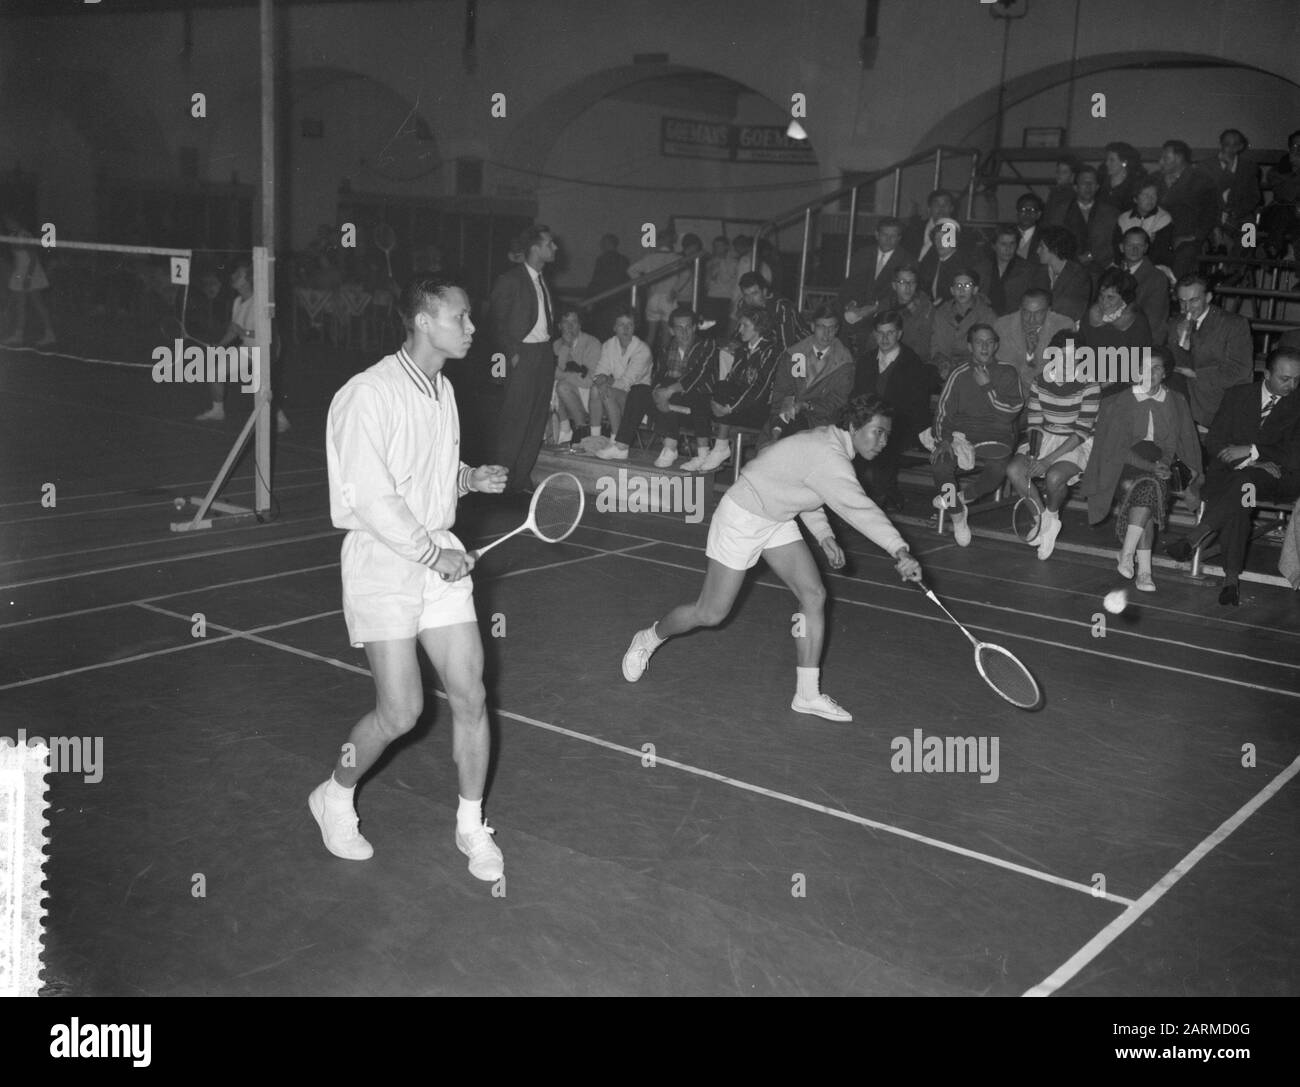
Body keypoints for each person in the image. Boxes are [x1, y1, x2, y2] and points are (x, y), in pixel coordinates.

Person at [314, 274, 508, 880]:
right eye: (462, 317)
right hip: (383, 561)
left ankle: (471, 825)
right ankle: (334, 795)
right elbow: (371, 496)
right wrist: (430, 554)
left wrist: (466, 480)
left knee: (472, 694)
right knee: (401, 712)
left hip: (435, 554)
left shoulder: (441, 391)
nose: (473, 327)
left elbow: (423, 475)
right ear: (424, 321)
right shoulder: (366, 394)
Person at [620, 394, 924, 723]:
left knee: (814, 594)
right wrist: (899, 549)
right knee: (710, 613)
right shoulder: (831, 455)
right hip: (743, 515)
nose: (883, 441)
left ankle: (807, 694)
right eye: (877, 431)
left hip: (775, 517)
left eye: (887, 435)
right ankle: (649, 637)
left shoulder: (830, 446)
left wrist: (824, 535)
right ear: (853, 427)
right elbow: (858, 508)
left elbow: (809, 486)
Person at [1164, 348, 1300, 605]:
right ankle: (1231, 581)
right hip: (1235, 476)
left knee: (1244, 484)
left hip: (1278, 479)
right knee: (1241, 499)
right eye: (1285, 378)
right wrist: (1253, 462)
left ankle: (1196, 537)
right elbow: (1215, 440)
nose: (1292, 385)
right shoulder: (1238, 395)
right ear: (1267, 374)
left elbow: (1294, 456)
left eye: (1297, 379)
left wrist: (1252, 451)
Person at [1079, 346, 1202, 593]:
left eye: (1156, 367)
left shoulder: (1175, 401)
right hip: (1123, 465)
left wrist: (1165, 465)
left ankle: (1128, 554)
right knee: (1149, 487)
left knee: (1148, 488)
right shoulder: (1117, 401)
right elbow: (1114, 449)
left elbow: (1176, 442)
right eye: (1145, 367)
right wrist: (1151, 467)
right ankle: (1143, 570)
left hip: (1159, 466)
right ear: (1135, 371)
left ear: (1165, 373)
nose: (1150, 372)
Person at [1005, 329, 1101, 560]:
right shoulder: (1040, 382)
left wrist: (1047, 462)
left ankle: (1052, 517)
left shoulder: (1090, 385)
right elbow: (1035, 422)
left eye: (1073, 356)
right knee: (1015, 470)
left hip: (1077, 443)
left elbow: (1081, 432)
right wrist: (1035, 455)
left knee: (1054, 477)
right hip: (1045, 437)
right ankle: (1041, 521)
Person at [929, 324, 1024, 547]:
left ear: (996, 345)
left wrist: (987, 387)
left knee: (998, 469)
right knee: (940, 465)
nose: (984, 346)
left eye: (989, 341)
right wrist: (943, 439)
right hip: (962, 435)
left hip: (997, 436)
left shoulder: (1007, 372)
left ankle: (963, 498)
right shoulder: (959, 374)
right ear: (969, 345)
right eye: (979, 342)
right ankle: (956, 513)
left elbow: (1010, 414)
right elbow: (943, 411)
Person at [596, 305, 717, 468]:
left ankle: (670, 447)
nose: (684, 332)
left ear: (695, 328)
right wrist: (658, 390)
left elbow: (698, 376)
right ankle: (621, 446)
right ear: (672, 330)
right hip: (668, 402)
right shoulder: (667, 349)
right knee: (639, 391)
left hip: (695, 402)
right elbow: (658, 375)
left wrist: (668, 390)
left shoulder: (707, 345)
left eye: (688, 327)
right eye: (679, 328)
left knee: (667, 389)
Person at [491, 224, 558, 496]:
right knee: (515, 419)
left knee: (535, 420)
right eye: (550, 244)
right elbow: (495, 321)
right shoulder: (511, 280)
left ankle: (521, 479)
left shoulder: (542, 280)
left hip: (543, 354)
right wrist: (512, 354)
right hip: (524, 355)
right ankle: (501, 481)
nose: (555, 248)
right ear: (535, 248)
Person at [852, 308, 938, 512]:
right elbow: (856, 398)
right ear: (874, 334)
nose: (885, 338)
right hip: (867, 424)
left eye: (890, 332)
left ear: (899, 334)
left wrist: (883, 426)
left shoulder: (912, 364)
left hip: (900, 426)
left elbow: (915, 408)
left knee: (882, 442)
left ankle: (884, 497)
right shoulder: (865, 361)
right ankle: (856, 499)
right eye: (880, 333)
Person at [195, 259, 291, 434]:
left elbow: (265, 334)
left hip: (266, 349)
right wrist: (219, 345)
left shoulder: (261, 302)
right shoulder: (238, 302)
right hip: (247, 349)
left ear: (248, 280)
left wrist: (244, 332)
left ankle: (281, 419)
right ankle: (217, 411)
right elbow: (234, 330)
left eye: (238, 275)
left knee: (262, 388)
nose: (232, 276)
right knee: (215, 373)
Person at [692, 304, 783, 473]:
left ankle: (720, 447)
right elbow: (731, 379)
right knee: (701, 398)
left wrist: (730, 409)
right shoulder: (742, 351)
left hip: (758, 410)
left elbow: (759, 389)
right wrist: (715, 402)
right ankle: (703, 453)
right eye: (740, 324)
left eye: (745, 325)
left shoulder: (771, 352)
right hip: (733, 406)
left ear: (759, 328)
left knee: (723, 389)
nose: (740, 329)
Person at [758, 304, 855, 449]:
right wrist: (777, 427)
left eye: (831, 328)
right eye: (821, 327)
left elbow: (838, 401)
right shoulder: (795, 354)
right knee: (772, 444)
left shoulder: (844, 361)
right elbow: (783, 393)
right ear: (812, 327)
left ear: (837, 329)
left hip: (823, 422)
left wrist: (807, 406)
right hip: (789, 418)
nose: (826, 333)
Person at [1165, 273, 1254, 430]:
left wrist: (1197, 374)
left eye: (1194, 300)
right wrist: (1183, 346)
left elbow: (1240, 370)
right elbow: (1176, 366)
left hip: (1221, 403)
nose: (1187, 308)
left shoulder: (1234, 324)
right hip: (1185, 403)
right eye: (1182, 301)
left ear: (1208, 297)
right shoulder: (1175, 324)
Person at [1076, 267, 1154, 396]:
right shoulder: (1089, 316)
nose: (1104, 302)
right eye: (1101, 295)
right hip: (1089, 382)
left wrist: (1104, 384)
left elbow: (1139, 361)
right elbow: (1080, 350)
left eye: (1110, 297)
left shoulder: (1137, 322)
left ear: (1124, 298)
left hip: (1123, 388)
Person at [1152, 139, 1219, 279]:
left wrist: (1193, 236)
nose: (1161, 162)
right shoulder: (1155, 179)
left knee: (1184, 258)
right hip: (1157, 237)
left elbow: (1210, 213)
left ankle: (1178, 295)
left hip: (1188, 238)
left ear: (1179, 158)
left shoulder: (1201, 181)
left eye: (1165, 158)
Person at [994, 288, 1075, 398]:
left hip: (1050, 394)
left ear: (1048, 310)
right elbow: (1006, 370)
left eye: (1038, 313)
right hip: (1011, 394)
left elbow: (1062, 371)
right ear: (1020, 309)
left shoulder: (1064, 326)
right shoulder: (1003, 326)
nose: (1031, 319)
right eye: (1026, 312)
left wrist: (1031, 357)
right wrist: (1029, 354)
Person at [588, 308, 652, 441]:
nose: (626, 329)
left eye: (630, 325)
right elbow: (599, 373)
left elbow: (625, 383)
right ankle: (595, 439)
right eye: (621, 325)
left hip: (637, 400)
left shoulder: (643, 350)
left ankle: (616, 441)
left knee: (607, 392)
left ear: (635, 327)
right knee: (595, 389)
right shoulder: (608, 345)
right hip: (616, 394)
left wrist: (606, 380)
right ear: (614, 327)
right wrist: (601, 381)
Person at [839, 217, 914, 319]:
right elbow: (851, 284)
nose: (888, 239)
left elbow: (903, 294)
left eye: (893, 236)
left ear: (899, 238)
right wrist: (851, 303)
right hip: (857, 312)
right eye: (884, 235)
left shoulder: (907, 260)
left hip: (888, 315)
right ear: (877, 235)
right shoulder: (862, 255)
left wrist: (876, 308)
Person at [928, 267, 996, 379]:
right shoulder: (941, 313)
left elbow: (989, 351)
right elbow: (935, 347)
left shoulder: (987, 315)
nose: (962, 290)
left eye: (967, 286)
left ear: (975, 290)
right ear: (952, 290)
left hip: (975, 369)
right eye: (958, 286)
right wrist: (944, 365)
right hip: (944, 369)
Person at [2, 213, 56, 346]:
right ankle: (18, 335)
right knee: (20, 305)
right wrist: (16, 273)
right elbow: (16, 258)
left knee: (38, 303)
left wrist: (29, 277)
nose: (9, 225)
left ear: (18, 222)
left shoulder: (25, 235)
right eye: (7, 223)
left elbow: (32, 258)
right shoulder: (12, 236)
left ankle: (50, 334)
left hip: (31, 272)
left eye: (11, 222)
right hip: (20, 272)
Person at [627, 228, 682, 356]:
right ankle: (663, 366)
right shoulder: (676, 258)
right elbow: (687, 275)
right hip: (668, 297)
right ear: (672, 241)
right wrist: (676, 289)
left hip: (652, 297)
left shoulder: (649, 258)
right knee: (666, 335)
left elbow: (631, 270)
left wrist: (644, 283)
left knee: (650, 336)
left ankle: (640, 361)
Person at [552, 307, 603, 445]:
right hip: (567, 395)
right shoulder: (556, 345)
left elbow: (588, 381)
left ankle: (581, 429)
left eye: (574, 322)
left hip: (591, 396)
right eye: (565, 322)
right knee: (551, 384)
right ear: (559, 326)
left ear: (580, 325)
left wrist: (562, 375)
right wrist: (566, 346)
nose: (569, 326)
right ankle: (564, 427)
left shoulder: (592, 343)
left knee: (561, 385)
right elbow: (554, 373)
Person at [1061, 164, 1119, 280]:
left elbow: (1114, 243)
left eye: (1092, 183)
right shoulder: (1061, 211)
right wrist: (1076, 259)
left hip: (1102, 271)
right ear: (1075, 187)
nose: (1088, 187)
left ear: (1097, 187)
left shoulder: (1111, 213)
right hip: (1067, 270)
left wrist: (1092, 255)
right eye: (1084, 183)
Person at [1117, 226, 1172, 346]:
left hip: (1143, 342)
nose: (1134, 249)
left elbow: (1153, 321)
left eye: (1140, 245)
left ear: (1146, 248)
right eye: (1130, 245)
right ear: (1121, 247)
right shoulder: (1113, 274)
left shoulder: (1157, 278)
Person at [1209, 129, 1261, 253]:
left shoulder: (1248, 167)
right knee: (1210, 233)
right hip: (1213, 214)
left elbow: (1254, 197)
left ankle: (1236, 269)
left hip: (1238, 215)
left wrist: (1237, 212)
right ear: (1220, 144)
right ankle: (1218, 263)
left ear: (1240, 147)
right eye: (1226, 144)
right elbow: (1206, 194)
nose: (1229, 149)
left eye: (1234, 145)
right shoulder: (1207, 166)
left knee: (1249, 229)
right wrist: (1228, 172)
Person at [737, 271, 809, 352]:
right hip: (766, 350)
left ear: (764, 292)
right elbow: (740, 334)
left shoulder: (781, 308)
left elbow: (785, 346)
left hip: (801, 351)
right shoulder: (743, 305)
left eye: (754, 293)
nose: (750, 299)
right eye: (746, 295)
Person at [1033, 226, 1091, 324]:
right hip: (1043, 328)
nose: (1037, 251)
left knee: (1068, 339)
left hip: (1069, 332)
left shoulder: (1078, 276)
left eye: (1042, 247)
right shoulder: (1039, 272)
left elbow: (1070, 313)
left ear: (1055, 249)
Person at [1115, 179, 1176, 270]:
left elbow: (1160, 252)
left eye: (1153, 195)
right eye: (1145, 195)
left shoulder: (1164, 219)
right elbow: (1117, 248)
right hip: (1126, 265)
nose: (1150, 199)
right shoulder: (1123, 219)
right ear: (1135, 199)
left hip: (1155, 267)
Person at [586, 232, 629, 340]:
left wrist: (589, 298)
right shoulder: (624, 260)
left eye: (603, 243)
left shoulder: (603, 260)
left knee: (602, 333)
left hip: (604, 302)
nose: (601, 245)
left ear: (607, 243)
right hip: (619, 302)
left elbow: (597, 280)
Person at [987, 223, 1035, 317]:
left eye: (1012, 244)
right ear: (993, 246)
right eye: (1003, 244)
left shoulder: (1029, 270)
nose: (1008, 249)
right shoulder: (982, 268)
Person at [904, 189, 957, 262]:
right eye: (936, 205)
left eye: (945, 204)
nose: (941, 208)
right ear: (929, 209)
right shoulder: (914, 229)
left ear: (951, 209)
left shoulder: (959, 233)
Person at [1097, 142, 1144, 216]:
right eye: (1107, 159)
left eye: (1112, 160)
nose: (1107, 163)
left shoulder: (1134, 186)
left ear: (1124, 163)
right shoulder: (1100, 181)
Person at [704, 235, 738, 329]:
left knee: (723, 325)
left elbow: (728, 278)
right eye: (715, 246)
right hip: (712, 296)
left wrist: (721, 264)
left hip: (726, 297)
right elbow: (707, 281)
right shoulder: (710, 262)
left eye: (719, 245)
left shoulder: (733, 262)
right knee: (709, 326)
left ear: (726, 247)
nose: (717, 248)